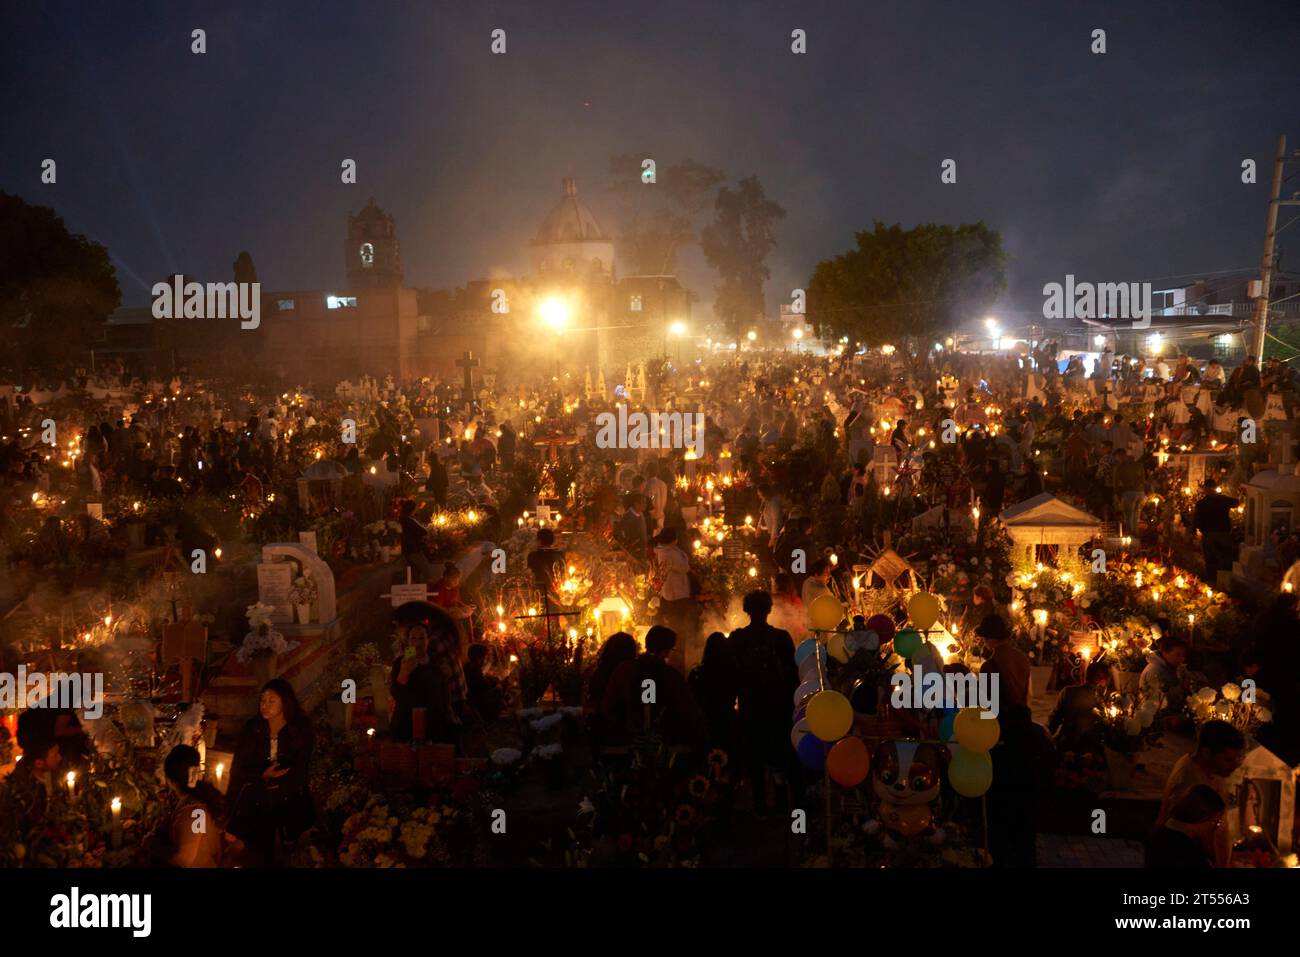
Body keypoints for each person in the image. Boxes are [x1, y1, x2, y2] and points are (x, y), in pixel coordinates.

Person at [729, 589, 802, 816]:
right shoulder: (781, 638)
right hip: (778, 705)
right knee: (782, 753)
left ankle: (759, 801)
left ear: (746, 610)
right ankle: (785, 800)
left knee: (755, 756)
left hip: (750, 705)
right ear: (769, 609)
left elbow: (730, 673)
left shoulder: (737, 639)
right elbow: (792, 673)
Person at [226, 679, 315, 865]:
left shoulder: (299, 730)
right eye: (262, 701)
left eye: (271, 701)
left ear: (285, 702)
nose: (264, 706)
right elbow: (239, 768)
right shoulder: (253, 729)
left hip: (289, 802)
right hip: (256, 803)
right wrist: (262, 775)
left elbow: (302, 769)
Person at [599, 625, 706, 749]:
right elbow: (687, 708)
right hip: (662, 742)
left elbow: (608, 705)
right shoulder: (671, 675)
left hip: (627, 740)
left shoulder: (623, 670)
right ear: (665, 651)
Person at [1158, 720, 1245, 867]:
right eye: (1228, 759)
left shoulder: (1215, 771)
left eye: (1238, 758)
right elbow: (1193, 838)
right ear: (1206, 753)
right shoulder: (1188, 783)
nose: (1235, 765)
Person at [390, 605, 466, 744]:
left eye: (421, 638)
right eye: (413, 638)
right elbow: (397, 690)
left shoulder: (434, 658)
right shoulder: (404, 660)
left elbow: (443, 693)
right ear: (408, 640)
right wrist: (403, 673)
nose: (418, 642)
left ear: (428, 640)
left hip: (436, 718)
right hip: (409, 719)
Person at [159, 744, 226, 867]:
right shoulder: (194, 800)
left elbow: (184, 859)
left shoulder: (197, 813)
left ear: (171, 780)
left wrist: (155, 851)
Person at [1146, 784, 1226, 869]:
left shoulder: (1165, 830)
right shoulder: (1183, 849)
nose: (1214, 828)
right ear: (1202, 817)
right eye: (1216, 822)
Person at [585, 632, 639, 753]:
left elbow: (593, 697)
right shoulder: (636, 671)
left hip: (605, 731)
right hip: (628, 732)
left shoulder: (600, 672)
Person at [689, 632, 740, 754]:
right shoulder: (733, 672)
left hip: (704, 723)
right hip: (727, 722)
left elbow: (691, 698)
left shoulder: (697, 673)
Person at [653, 527, 694, 671]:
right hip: (676, 595)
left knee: (676, 628)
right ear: (672, 539)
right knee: (679, 630)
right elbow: (684, 567)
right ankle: (677, 664)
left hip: (671, 593)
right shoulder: (670, 553)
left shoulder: (664, 550)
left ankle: (676, 660)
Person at [975, 612, 1029, 713]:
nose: (983, 641)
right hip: (1021, 717)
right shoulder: (1021, 657)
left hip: (1001, 721)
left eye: (983, 638)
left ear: (989, 638)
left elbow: (987, 704)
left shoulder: (989, 666)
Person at [1193, 481, 1239, 582]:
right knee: (1224, 558)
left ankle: (1212, 580)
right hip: (1222, 533)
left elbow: (1196, 519)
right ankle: (1224, 580)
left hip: (1209, 534)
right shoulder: (1223, 500)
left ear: (1205, 490)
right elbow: (1236, 502)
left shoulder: (1201, 503)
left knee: (1211, 559)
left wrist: (1194, 530)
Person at [1140, 636, 1189, 717]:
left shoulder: (1173, 666)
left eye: (1183, 655)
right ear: (1164, 652)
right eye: (1178, 655)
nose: (1182, 659)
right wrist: (1182, 687)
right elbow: (1158, 701)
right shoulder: (1154, 671)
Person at [463, 644, 503, 726]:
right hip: (477, 699)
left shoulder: (467, 666)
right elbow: (486, 685)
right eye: (484, 657)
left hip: (471, 696)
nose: (485, 660)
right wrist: (495, 681)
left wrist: (490, 678)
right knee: (499, 690)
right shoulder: (475, 669)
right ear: (479, 658)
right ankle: (492, 718)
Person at [399, 499, 436, 582]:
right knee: (427, 572)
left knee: (417, 572)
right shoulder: (409, 521)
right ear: (413, 509)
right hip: (414, 550)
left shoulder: (406, 520)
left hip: (412, 549)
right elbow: (422, 532)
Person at [615, 491, 648, 557]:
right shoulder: (628, 518)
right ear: (636, 504)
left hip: (642, 552)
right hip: (633, 555)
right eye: (643, 502)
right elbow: (623, 538)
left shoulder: (641, 514)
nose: (645, 504)